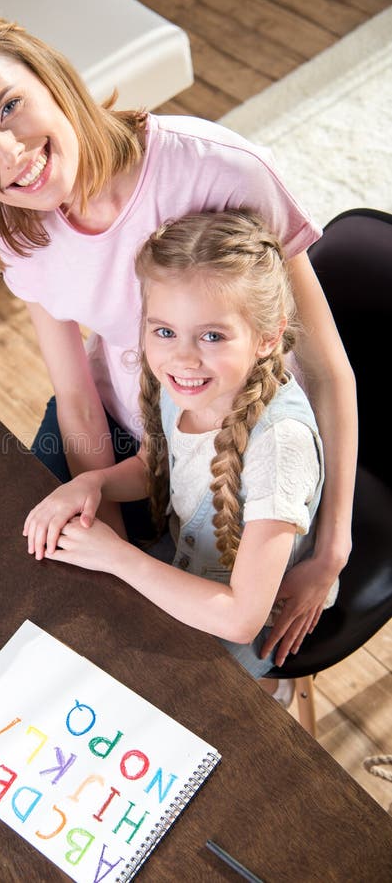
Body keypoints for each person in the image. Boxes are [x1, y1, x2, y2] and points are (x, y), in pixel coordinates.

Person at [0, 8, 356, 667]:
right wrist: (108, 534)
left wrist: (333, 548)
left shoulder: (222, 172)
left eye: (8, 108)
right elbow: (77, 402)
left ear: (49, 77)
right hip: (136, 439)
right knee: (13, 580)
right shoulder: (17, 232)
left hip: (235, 440)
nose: (10, 153)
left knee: (179, 658)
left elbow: (327, 367)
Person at [23, 209, 338, 686]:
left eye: (212, 335)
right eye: (164, 331)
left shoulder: (280, 447)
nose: (183, 357)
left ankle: (273, 692)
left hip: (241, 624)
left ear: (269, 337)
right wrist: (95, 481)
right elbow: (154, 463)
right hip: (182, 569)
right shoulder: (185, 385)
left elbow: (239, 619)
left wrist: (118, 556)